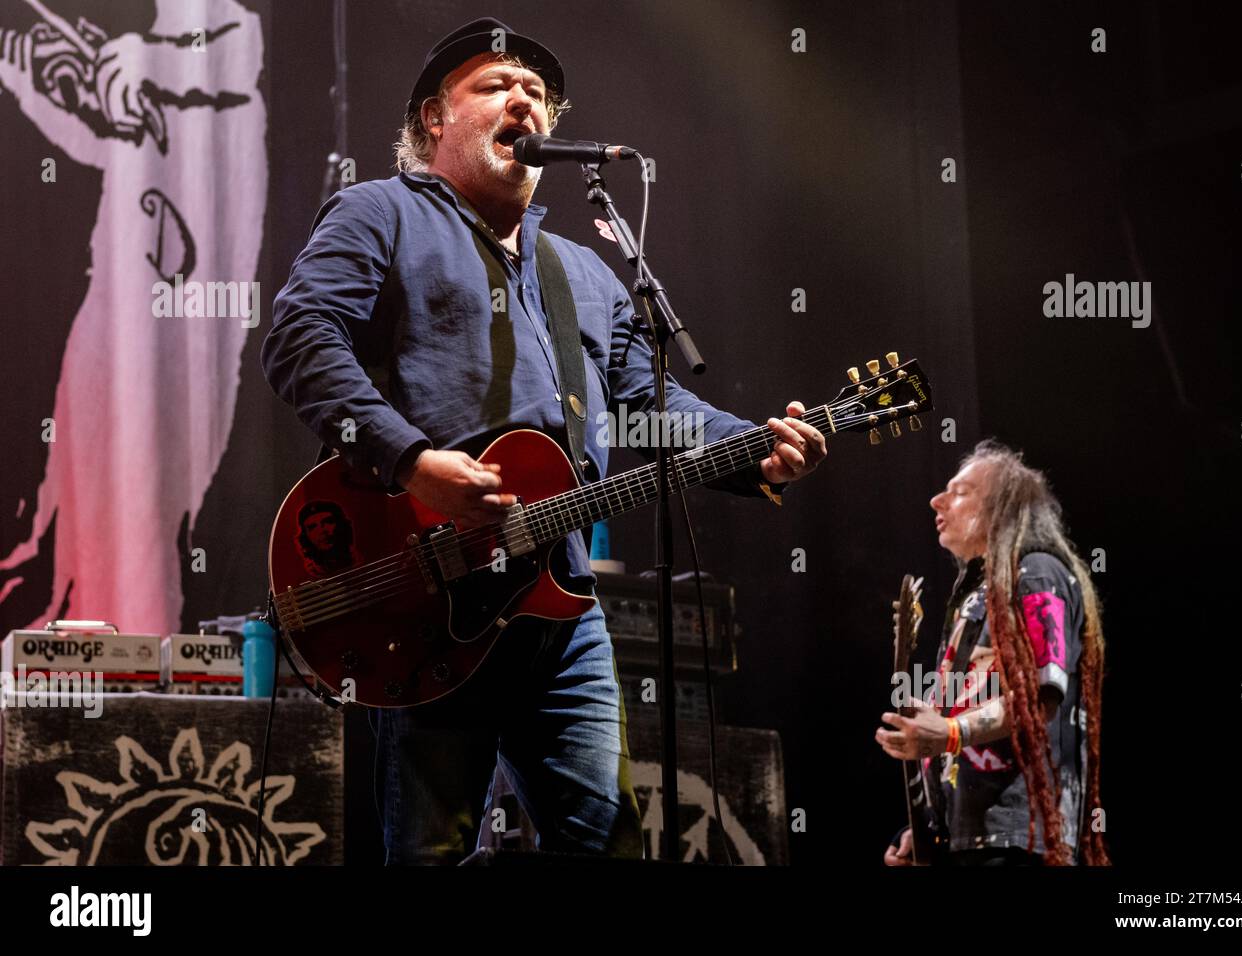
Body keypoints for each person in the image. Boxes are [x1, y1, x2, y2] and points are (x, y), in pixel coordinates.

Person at [261, 17, 826, 864]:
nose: (522, 99)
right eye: (494, 86)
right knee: (430, 849)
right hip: (424, 593)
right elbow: (300, 336)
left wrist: (756, 446)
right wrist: (413, 463)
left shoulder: (585, 274)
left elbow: (650, 406)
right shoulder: (380, 212)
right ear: (430, 123)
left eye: (537, 94)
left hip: (558, 603)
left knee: (607, 839)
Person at [876, 441, 1108, 865]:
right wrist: (927, 828)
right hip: (968, 837)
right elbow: (959, 716)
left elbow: (1040, 696)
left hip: (1018, 837)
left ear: (1003, 508)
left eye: (961, 492)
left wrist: (948, 733)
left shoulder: (1037, 572)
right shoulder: (975, 594)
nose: (937, 500)